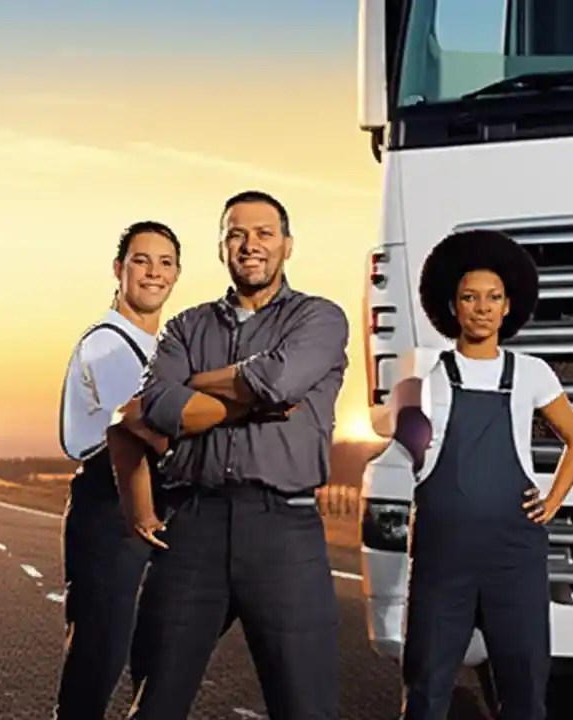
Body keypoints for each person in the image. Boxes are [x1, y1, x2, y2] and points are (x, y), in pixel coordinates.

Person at [106, 189, 348, 720]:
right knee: (154, 705)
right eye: (236, 234)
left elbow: (279, 380)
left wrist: (194, 387)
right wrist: (248, 399)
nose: (250, 245)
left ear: (287, 245)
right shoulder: (185, 326)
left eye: (263, 233)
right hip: (193, 526)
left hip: (285, 530)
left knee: (307, 708)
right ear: (221, 248)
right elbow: (158, 406)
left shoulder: (321, 319)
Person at [389, 228, 573, 720]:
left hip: (512, 558)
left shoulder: (532, 373)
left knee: (523, 688)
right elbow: (396, 429)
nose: (481, 307)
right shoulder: (425, 374)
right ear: (452, 306)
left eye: (493, 298)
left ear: (507, 307)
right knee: (425, 687)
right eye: (470, 297)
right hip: (442, 556)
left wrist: (553, 500)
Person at [52, 221, 181, 720]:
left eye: (165, 262)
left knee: (154, 650)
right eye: (141, 261)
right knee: (98, 656)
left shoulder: (159, 347)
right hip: (111, 504)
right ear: (118, 269)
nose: (154, 272)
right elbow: (145, 427)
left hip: (155, 500)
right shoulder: (107, 343)